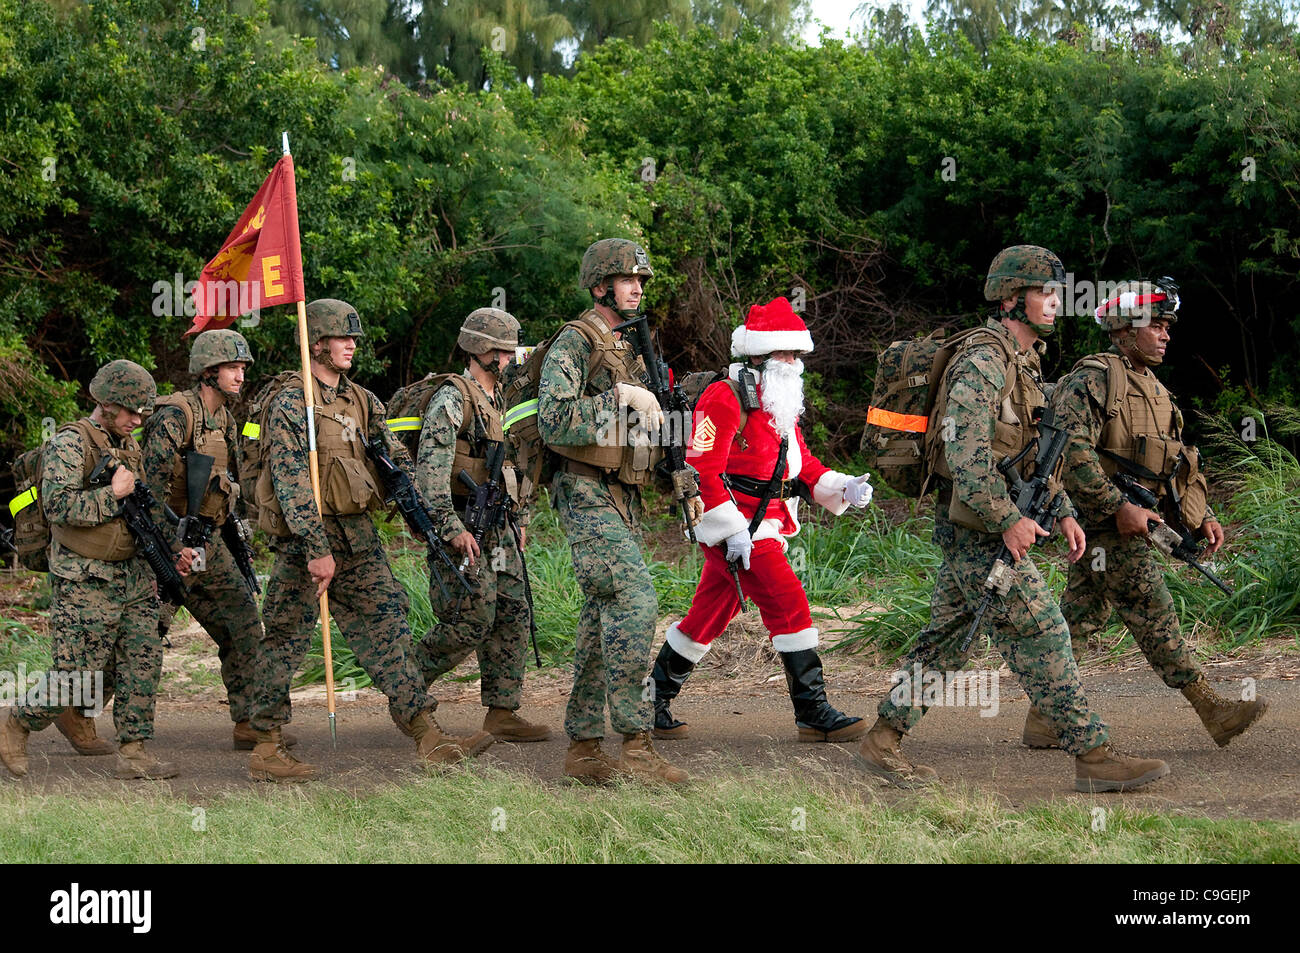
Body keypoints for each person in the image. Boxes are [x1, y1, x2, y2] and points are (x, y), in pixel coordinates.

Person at [856, 245, 1171, 793]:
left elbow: (1034, 454)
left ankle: (882, 740)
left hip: (978, 529)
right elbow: (965, 452)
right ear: (1010, 298)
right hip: (980, 531)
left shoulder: (1024, 361)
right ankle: (1093, 755)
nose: (1055, 302)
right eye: (1045, 292)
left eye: (1057, 292)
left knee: (947, 640)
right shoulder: (984, 359)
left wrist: (1064, 511)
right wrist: (1007, 520)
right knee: (1046, 630)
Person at [246, 298, 492, 781]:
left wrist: (430, 519)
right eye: (342, 338)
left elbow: (394, 460)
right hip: (305, 544)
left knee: (390, 629)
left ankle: (427, 734)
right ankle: (266, 746)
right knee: (284, 641)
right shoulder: (292, 401)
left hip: (357, 539)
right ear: (316, 343)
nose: (351, 345)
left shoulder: (361, 399)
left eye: (354, 338)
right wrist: (316, 550)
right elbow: (292, 482)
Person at [1039, 278, 1267, 748]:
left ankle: (1047, 717)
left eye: (1168, 326)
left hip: (1131, 522)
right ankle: (1212, 708)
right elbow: (1069, 450)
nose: (1165, 335)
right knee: (1153, 609)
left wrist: (1198, 515)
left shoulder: (1155, 390)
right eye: (1156, 325)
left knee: (1080, 619)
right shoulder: (1093, 377)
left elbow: (1173, 464)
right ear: (1123, 328)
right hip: (1104, 523)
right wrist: (1116, 506)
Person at [653, 296, 872, 743]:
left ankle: (650, 699)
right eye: (785, 353)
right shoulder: (724, 395)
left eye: (797, 354)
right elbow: (701, 469)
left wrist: (842, 484)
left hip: (763, 525)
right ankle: (812, 712)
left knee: (712, 611)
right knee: (789, 602)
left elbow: (799, 463)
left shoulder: (778, 397)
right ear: (759, 353)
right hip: (736, 528)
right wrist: (732, 531)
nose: (794, 362)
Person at [538, 238, 696, 784]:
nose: (637, 288)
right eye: (628, 279)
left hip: (620, 495)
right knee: (633, 598)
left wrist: (679, 474)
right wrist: (620, 400)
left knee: (600, 616)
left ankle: (583, 749)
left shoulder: (628, 347)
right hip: (583, 491)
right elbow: (552, 421)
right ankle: (636, 745)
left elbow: (650, 428)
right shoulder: (576, 341)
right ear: (601, 285)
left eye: (642, 281)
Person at [1, 360, 187, 780]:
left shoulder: (127, 444)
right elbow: (59, 507)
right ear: (105, 404)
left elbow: (141, 508)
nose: (138, 420)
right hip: (85, 578)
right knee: (74, 676)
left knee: (142, 659)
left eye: (143, 413)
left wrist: (173, 547)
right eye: (130, 412)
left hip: (132, 575)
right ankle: (16, 723)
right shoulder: (68, 443)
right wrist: (110, 493)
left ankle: (135, 752)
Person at [139, 329, 285, 752]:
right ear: (209, 372)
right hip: (166, 547)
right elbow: (148, 491)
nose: (241, 375)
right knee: (143, 636)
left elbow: (231, 486)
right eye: (233, 367)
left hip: (209, 542)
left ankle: (250, 722)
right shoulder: (174, 417)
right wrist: (171, 546)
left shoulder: (225, 420)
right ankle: (75, 715)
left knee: (242, 622)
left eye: (242, 367)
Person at [410, 308, 549, 743]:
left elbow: (515, 464)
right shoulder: (453, 399)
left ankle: (502, 711)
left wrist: (521, 518)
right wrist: (451, 529)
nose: (510, 357)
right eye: (503, 350)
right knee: (471, 619)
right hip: (462, 525)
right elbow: (429, 475)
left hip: (500, 526)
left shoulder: (501, 400)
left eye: (510, 350)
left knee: (512, 610)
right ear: (480, 351)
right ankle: (405, 684)